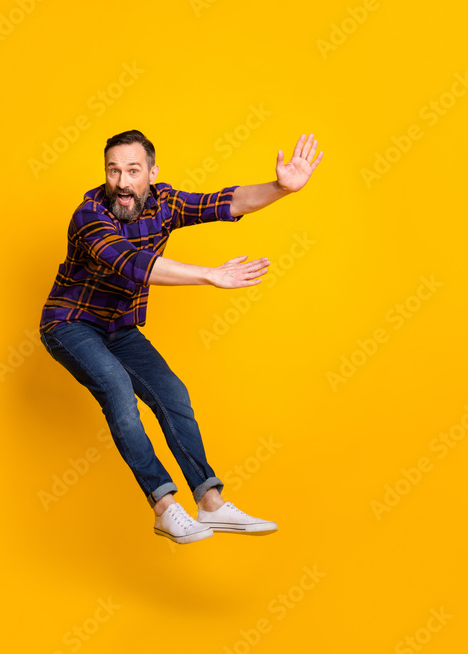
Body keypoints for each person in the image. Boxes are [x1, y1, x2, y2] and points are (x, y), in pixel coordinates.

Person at [38, 129, 323, 544]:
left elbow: (225, 202)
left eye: (133, 170)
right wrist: (209, 274)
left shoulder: (164, 203)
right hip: (69, 323)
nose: (122, 182)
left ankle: (210, 503)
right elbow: (135, 265)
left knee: (172, 393)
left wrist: (281, 188)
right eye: (113, 171)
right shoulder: (89, 216)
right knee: (117, 389)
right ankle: (164, 506)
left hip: (118, 328)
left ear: (152, 174)